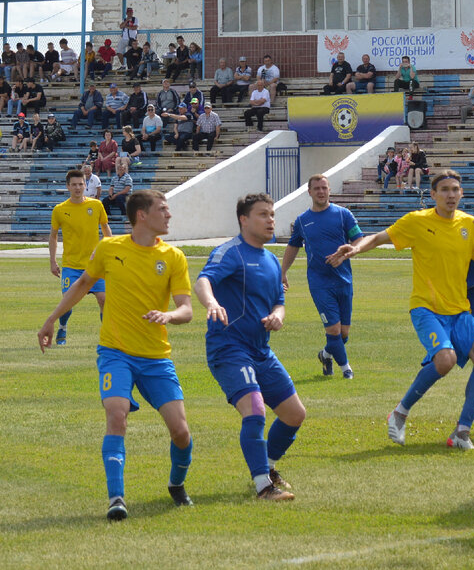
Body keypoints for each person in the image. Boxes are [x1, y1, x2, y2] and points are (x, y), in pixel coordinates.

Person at [329, 170, 474, 450]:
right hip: (427, 309)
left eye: (455, 189)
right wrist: (356, 248)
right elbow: (378, 238)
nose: (451, 195)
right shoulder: (417, 221)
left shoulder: (470, 225)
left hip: (460, 311)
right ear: (433, 195)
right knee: (445, 360)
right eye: (444, 189)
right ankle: (399, 412)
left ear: (461, 194)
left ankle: (461, 432)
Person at [36, 189, 198, 520]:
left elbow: (186, 310)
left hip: (156, 357)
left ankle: (176, 485)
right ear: (142, 215)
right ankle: (116, 499)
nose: (169, 215)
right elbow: (82, 284)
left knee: (181, 432)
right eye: (163, 210)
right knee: (116, 414)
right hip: (115, 352)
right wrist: (51, 320)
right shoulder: (109, 248)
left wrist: (167, 316)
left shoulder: (174, 257)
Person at [196, 193, 305, 501]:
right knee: (255, 410)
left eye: (272, 214)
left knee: (294, 415)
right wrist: (212, 302)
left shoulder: (272, 260)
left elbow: (279, 302)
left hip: (261, 351)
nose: (271, 220)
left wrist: (277, 316)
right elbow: (203, 281)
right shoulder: (230, 252)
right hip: (229, 348)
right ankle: (263, 487)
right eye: (263, 215)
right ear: (244, 220)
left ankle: (267, 466)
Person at [282, 175, 365, 381]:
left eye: (324, 188)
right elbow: (293, 246)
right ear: (309, 192)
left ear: (329, 191)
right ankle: (346, 369)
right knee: (334, 329)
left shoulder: (343, 215)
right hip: (319, 282)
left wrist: (346, 253)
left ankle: (326, 355)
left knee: (343, 333)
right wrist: (282, 272)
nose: (321, 191)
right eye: (317, 188)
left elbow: (359, 239)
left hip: (344, 280)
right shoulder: (302, 221)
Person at [48, 168, 113, 345]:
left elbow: (106, 229)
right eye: (74, 184)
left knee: (104, 299)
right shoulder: (60, 210)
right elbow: (53, 236)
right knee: (68, 304)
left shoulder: (96, 205)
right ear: (68, 186)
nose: (78, 187)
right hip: (71, 265)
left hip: (95, 266)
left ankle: (108, 337)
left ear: (85, 185)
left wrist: (108, 249)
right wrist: (53, 261)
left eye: (81, 184)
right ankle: (62, 327)